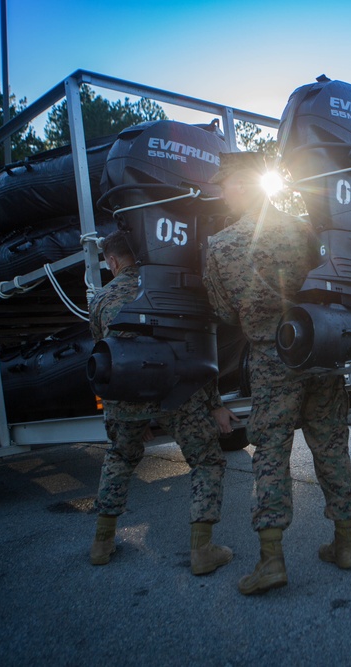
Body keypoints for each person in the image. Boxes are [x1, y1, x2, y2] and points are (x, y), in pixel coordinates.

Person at [203, 151, 351, 596]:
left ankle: (272, 561)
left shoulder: (222, 245)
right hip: (320, 350)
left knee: (271, 455)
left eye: (226, 184)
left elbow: (221, 310)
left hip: (273, 360)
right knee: (331, 448)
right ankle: (346, 545)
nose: (222, 193)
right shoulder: (305, 229)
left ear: (244, 184)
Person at [88, 230, 233, 576]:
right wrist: (214, 404)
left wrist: (126, 418)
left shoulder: (100, 300)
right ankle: (202, 550)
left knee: (119, 459)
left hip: (125, 398)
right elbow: (196, 352)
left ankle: (101, 544)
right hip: (177, 394)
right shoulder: (169, 289)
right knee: (206, 460)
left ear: (112, 261)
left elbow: (103, 359)